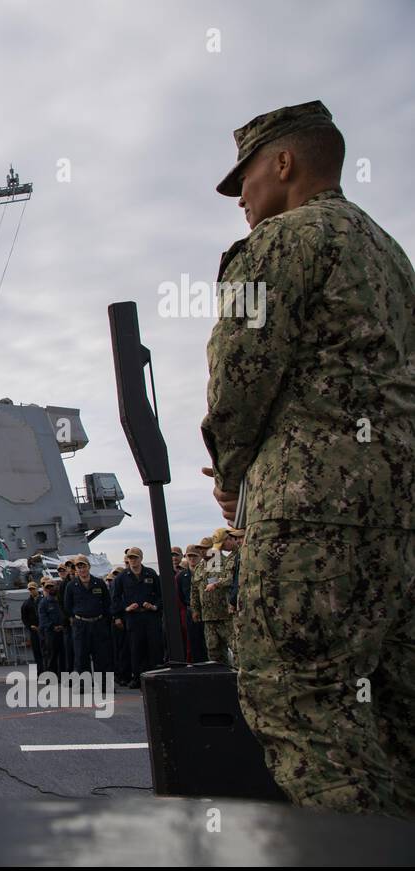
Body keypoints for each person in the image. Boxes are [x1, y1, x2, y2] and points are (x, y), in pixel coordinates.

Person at [205, 100, 415, 816]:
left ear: (284, 163)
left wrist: (232, 480)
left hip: (309, 518)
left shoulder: (278, 244)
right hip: (400, 520)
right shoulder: (389, 254)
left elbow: (240, 382)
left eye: (246, 183)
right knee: (391, 716)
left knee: (300, 708)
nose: (243, 201)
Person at [112, 547, 163, 689]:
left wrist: (154, 606)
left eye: (135, 557)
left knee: (153, 647)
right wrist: (125, 608)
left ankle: (154, 676)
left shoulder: (151, 574)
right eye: (130, 558)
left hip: (149, 616)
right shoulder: (122, 577)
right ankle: (137, 677)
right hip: (133, 618)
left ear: (141, 558)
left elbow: (160, 595)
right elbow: (115, 598)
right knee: (135, 648)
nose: (133, 560)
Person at [61, 555, 112, 693]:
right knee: (81, 656)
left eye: (83, 566)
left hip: (98, 623)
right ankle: (84, 686)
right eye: (79, 566)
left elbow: (107, 603)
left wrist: (105, 620)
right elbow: (67, 606)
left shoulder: (99, 583)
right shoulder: (71, 586)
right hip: (81, 625)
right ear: (76, 569)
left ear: (89, 566)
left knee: (102, 656)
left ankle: (105, 685)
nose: (82, 569)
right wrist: (75, 619)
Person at [199, 529, 237, 667]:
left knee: (234, 647)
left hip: (225, 613)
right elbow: (199, 587)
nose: (203, 551)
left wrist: (217, 584)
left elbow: (231, 579)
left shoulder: (228, 560)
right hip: (209, 615)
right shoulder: (206, 565)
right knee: (213, 650)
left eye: (206, 548)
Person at [37, 579, 66, 674]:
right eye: (48, 587)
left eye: (52, 586)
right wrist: (53, 626)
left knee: (64, 655)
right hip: (50, 633)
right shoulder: (44, 603)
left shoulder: (62, 600)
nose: (51, 589)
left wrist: (63, 625)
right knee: (51, 655)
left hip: (63, 631)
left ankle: (63, 676)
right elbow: (43, 618)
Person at [20, 581, 41, 674]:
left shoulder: (43, 600)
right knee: (37, 652)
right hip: (34, 630)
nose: (32, 591)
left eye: (33, 588)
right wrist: (30, 626)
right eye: (30, 589)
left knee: (48, 652)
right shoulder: (26, 604)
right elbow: (24, 618)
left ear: (37, 588)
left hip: (44, 629)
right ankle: (40, 672)